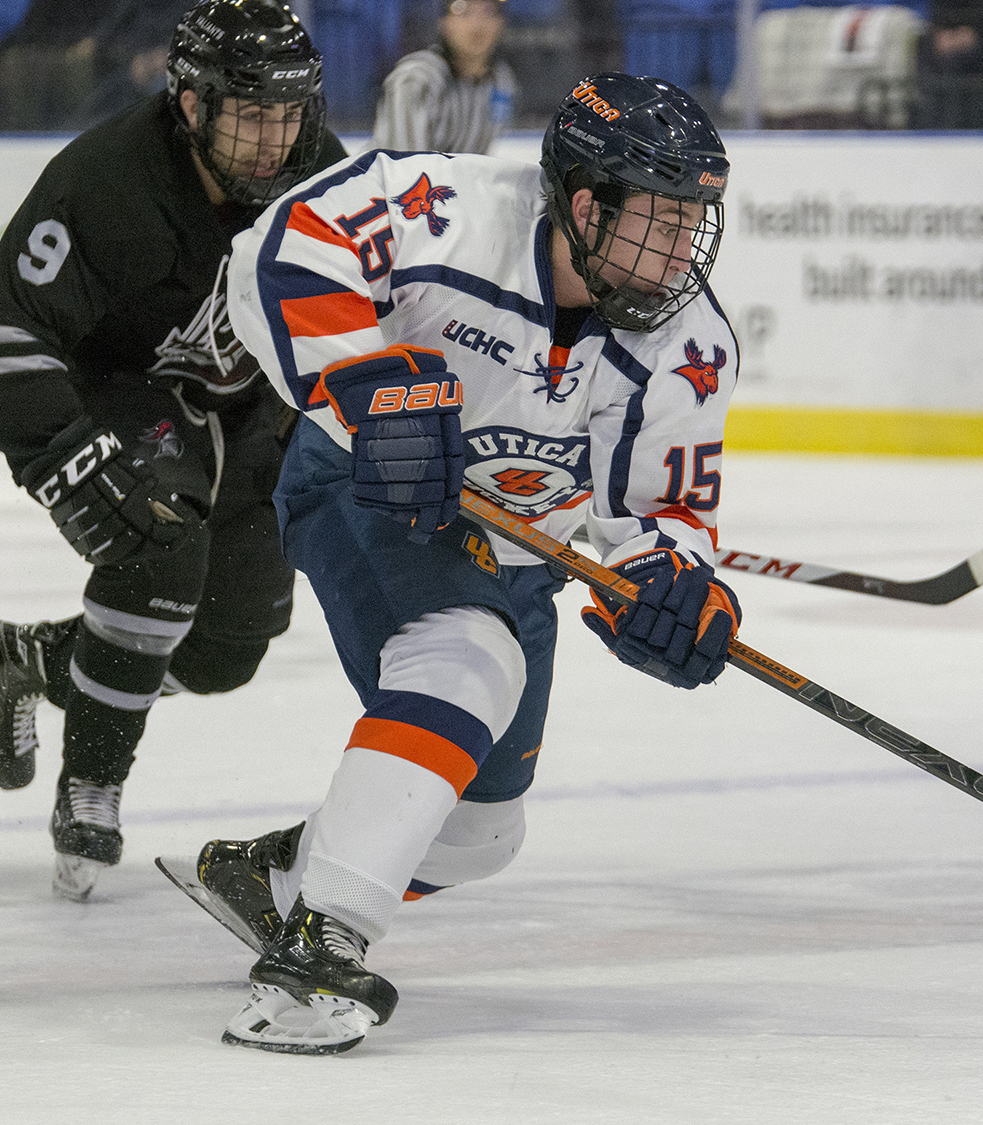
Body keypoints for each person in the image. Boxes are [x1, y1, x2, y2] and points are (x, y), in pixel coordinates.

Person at [163, 73, 740, 1054]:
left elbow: (653, 508)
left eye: (694, 223)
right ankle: (310, 958)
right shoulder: (449, 214)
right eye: (659, 220)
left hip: (515, 549)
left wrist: (673, 583)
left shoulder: (688, 342)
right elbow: (281, 247)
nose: (679, 250)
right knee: (468, 659)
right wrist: (367, 380)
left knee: (481, 833)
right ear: (584, 203)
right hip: (363, 485)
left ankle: (274, 882)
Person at [0, 0, 347, 903]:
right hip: (119, 392)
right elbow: (0, 346)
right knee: (162, 542)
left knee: (223, 653)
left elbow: (356, 326)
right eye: (251, 115)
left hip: (245, 416)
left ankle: (26, 660)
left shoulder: (318, 172)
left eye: (289, 114)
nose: (275, 141)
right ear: (191, 105)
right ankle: (93, 786)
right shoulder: (110, 181)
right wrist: (67, 456)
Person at [370, 0, 514, 154]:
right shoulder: (418, 78)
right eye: (463, 11)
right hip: (397, 177)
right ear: (444, 23)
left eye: (488, 11)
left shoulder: (501, 80)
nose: (477, 25)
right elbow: (407, 165)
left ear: (501, 23)